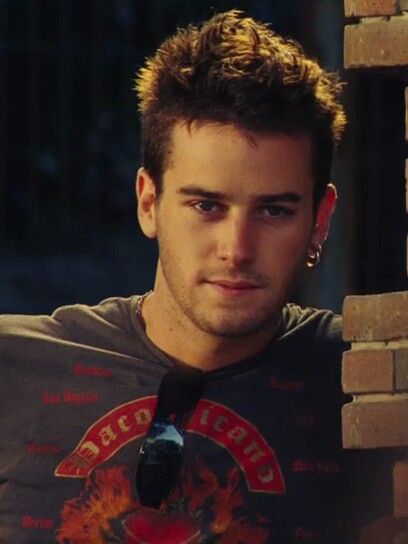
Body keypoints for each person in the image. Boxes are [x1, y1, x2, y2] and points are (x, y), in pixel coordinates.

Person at [0, 9, 391, 544]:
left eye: (274, 211)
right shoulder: (16, 370)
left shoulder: (369, 386)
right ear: (149, 202)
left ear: (319, 221)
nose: (237, 249)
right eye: (207, 206)